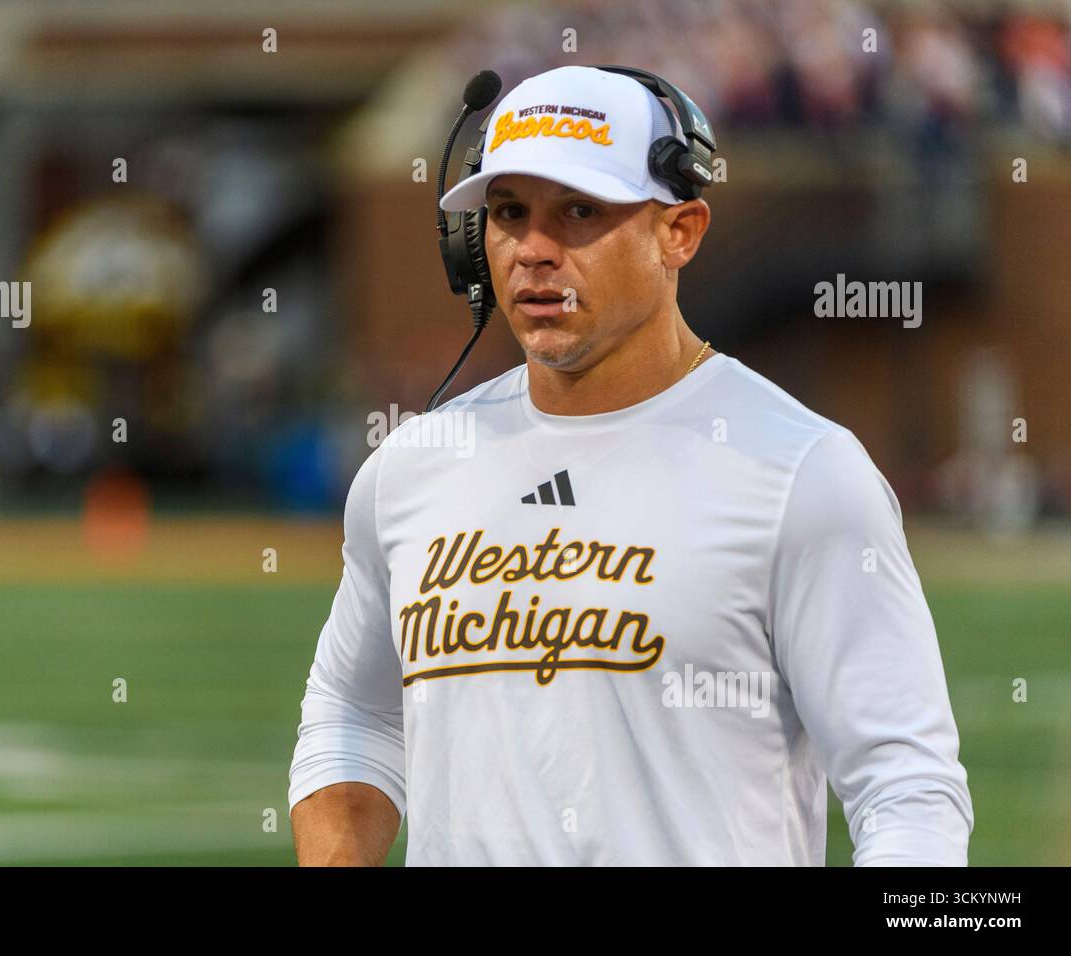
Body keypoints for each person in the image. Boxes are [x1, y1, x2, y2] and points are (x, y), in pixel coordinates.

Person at [288, 65, 973, 866]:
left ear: (679, 231)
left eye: (580, 212)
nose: (534, 251)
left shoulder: (803, 471)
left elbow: (904, 786)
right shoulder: (412, 469)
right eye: (509, 214)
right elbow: (352, 716)